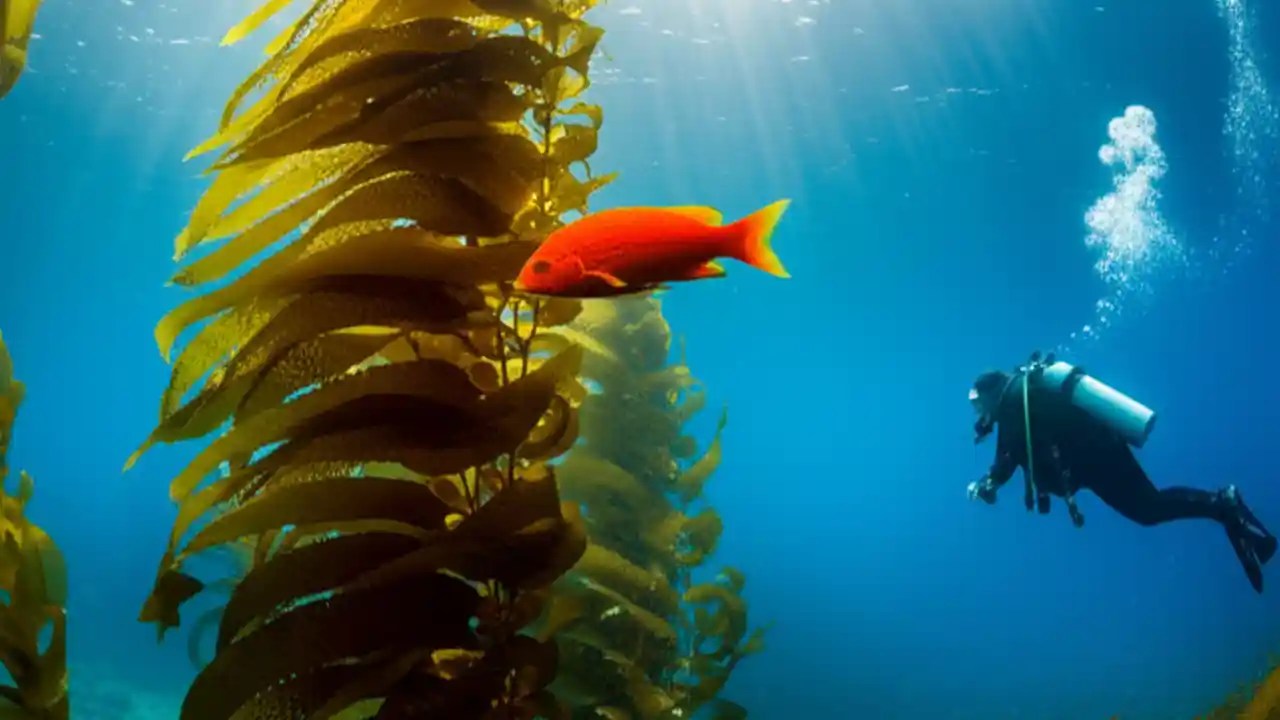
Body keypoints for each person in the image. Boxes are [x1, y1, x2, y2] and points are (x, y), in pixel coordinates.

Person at [965, 353, 1277, 593]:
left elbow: (1005, 459)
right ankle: (1223, 507)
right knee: (1150, 506)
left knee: (1149, 509)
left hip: (1095, 461)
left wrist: (985, 484)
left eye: (979, 404)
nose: (980, 413)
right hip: (1101, 451)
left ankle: (1223, 504)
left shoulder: (1012, 406)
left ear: (992, 393)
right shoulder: (1027, 391)